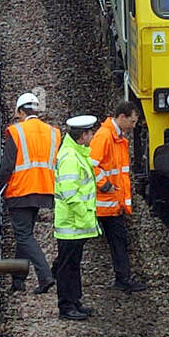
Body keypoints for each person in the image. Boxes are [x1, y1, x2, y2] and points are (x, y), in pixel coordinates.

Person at [0, 91, 59, 294]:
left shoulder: (17, 132)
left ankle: (45, 275)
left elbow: (7, 165)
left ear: (21, 111)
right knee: (24, 233)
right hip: (44, 189)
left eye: (17, 114)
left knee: (24, 235)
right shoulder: (52, 132)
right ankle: (18, 281)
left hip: (21, 190)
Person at [88, 102, 146, 291]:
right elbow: (92, 165)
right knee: (114, 240)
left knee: (117, 240)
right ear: (121, 117)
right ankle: (123, 279)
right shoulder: (105, 137)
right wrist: (104, 185)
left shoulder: (115, 138)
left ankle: (123, 277)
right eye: (132, 121)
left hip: (110, 203)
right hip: (104, 203)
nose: (133, 126)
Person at [54, 115, 101, 321]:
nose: (93, 136)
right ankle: (66, 306)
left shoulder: (76, 153)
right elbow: (71, 194)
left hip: (75, 224)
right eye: (91, 133)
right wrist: (85, 217)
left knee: (73, 264)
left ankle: (74, 301)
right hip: (71, 224)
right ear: (83, 136)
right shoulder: (71, 158)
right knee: (67, 266)